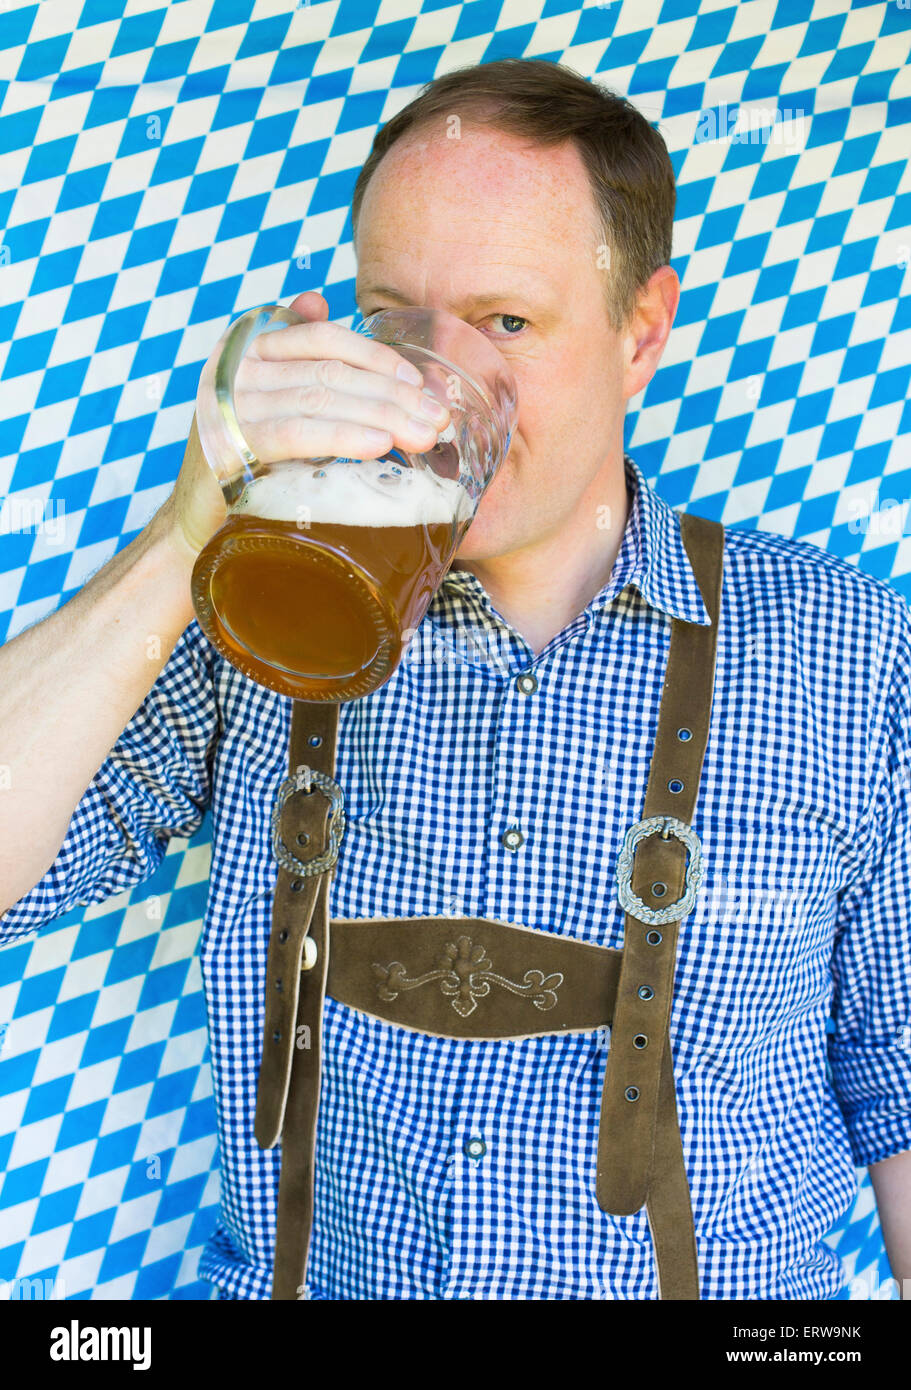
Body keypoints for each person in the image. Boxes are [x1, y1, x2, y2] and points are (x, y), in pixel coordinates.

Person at [1, 57, 909, 1301]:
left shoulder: (848, 649)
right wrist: (186, 532)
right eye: (396, 316)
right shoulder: (260, 616)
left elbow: (900, 1082)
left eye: (506, 323)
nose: (432, 389)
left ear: (642, 331)